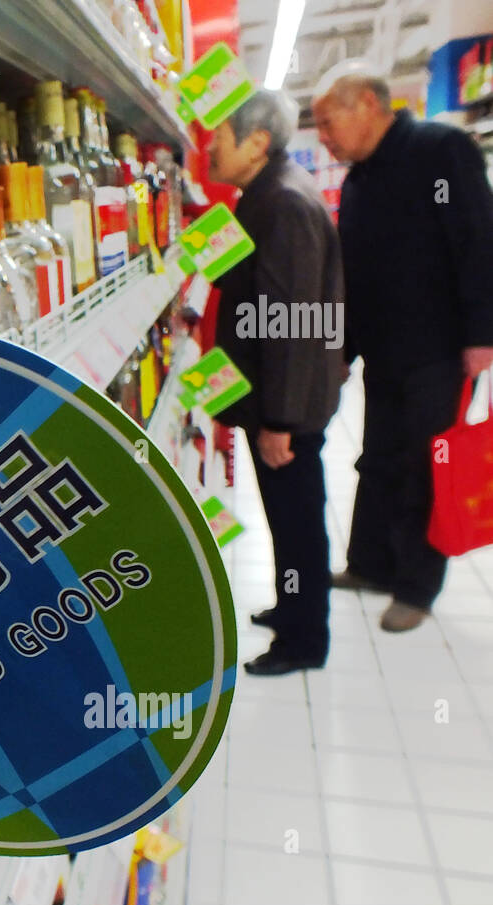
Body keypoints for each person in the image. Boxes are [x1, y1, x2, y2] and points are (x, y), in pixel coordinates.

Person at [312, 62, 493, 632]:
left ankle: (416, 586)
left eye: (326, 121)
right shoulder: (359, 178)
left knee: (427, 465)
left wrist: (481, 335)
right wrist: (344, 349)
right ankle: (371, 565)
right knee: (378, 460)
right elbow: (359, 274)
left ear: (367, 103)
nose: (322, 136)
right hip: (384, 354)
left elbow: (479, 241)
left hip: (440, 352)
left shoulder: (443, 151)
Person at [207, 88, 345, 676]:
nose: (211, 150)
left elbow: (288, 322)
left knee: (295, 521)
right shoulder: (269, 192)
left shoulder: (282, 203)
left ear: (257, 142)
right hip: (280, 399)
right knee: (287, 516)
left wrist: (280, 421)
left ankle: (304, 640)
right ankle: (293, 609)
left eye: (220, 138)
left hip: (286, 405)